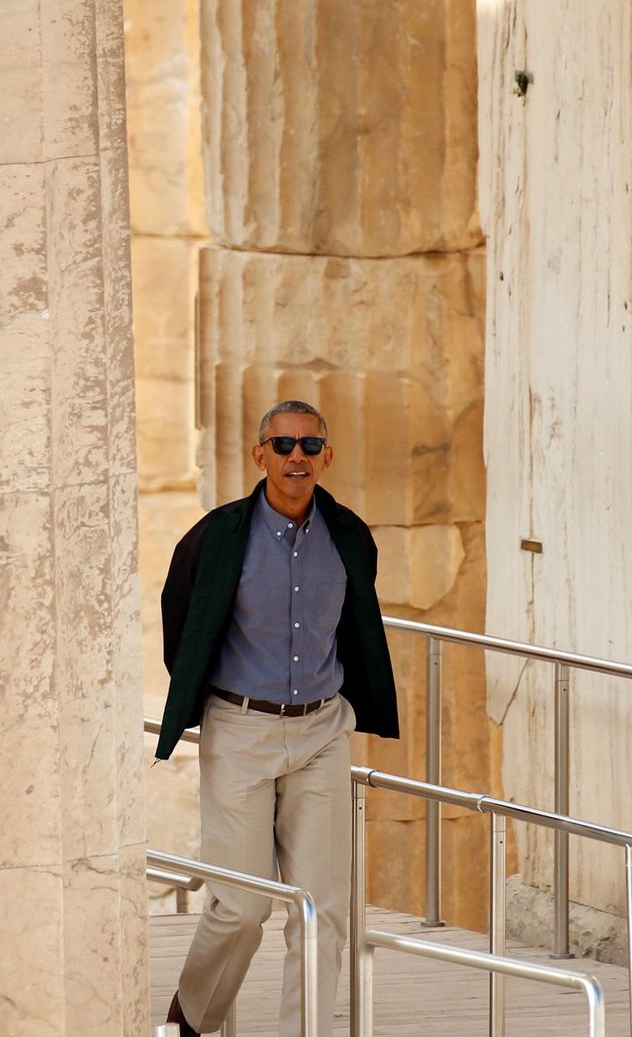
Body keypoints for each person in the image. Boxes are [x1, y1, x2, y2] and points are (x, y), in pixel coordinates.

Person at [155, 400, 399, 1037]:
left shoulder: (349, 535)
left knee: (323, 909)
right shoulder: (217, 536)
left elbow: (356, 623)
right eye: (284, 444)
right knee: (241, 905)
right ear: (259, 454)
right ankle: (194, 1015)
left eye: (310, 445)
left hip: (321, 732)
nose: (298, 456)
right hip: (240, 729)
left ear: (327, 456)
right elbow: (179, 619)